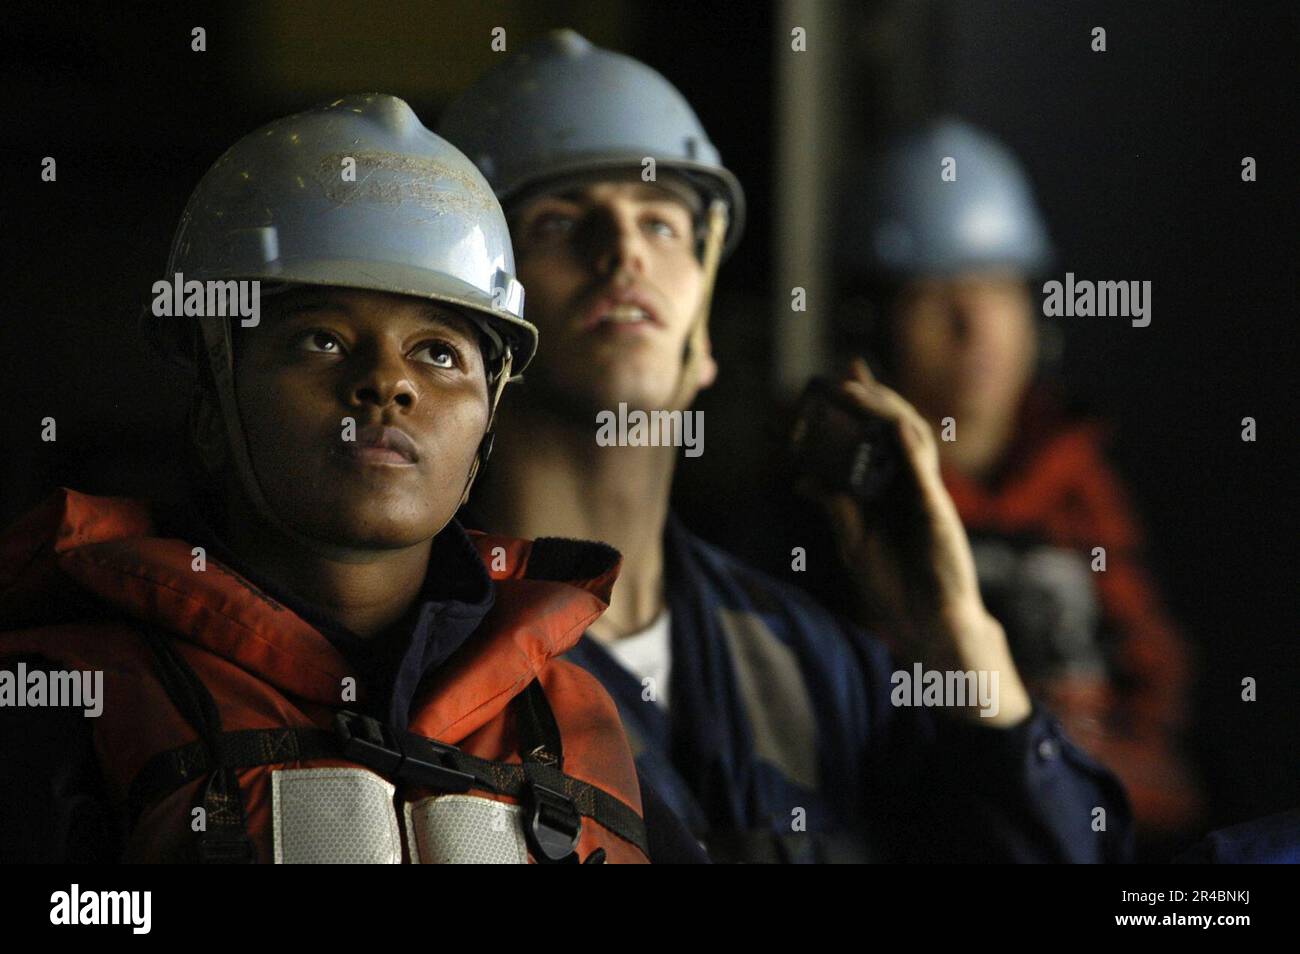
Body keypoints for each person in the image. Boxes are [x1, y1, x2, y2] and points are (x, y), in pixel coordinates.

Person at [440, 30, 1132, 862]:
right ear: (476, 326)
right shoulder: (426, 657)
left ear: (706, 340)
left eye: (661, 224)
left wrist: (959, 643)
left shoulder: (810, 661)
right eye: (558, 221)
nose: (623, 250)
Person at [0, 94, 700, 864]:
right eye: (321, 339)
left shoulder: (577, 724)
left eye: (438, 353)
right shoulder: (62, 696)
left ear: (489, 423)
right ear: (211, 404)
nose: (386, 385)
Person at [835, 117, 1203, 850]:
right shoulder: (838, 511)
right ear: (876, 323)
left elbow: (1165, 707)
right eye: (935, 294)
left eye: (997, 288)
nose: (975, 326)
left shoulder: (1093, 484)